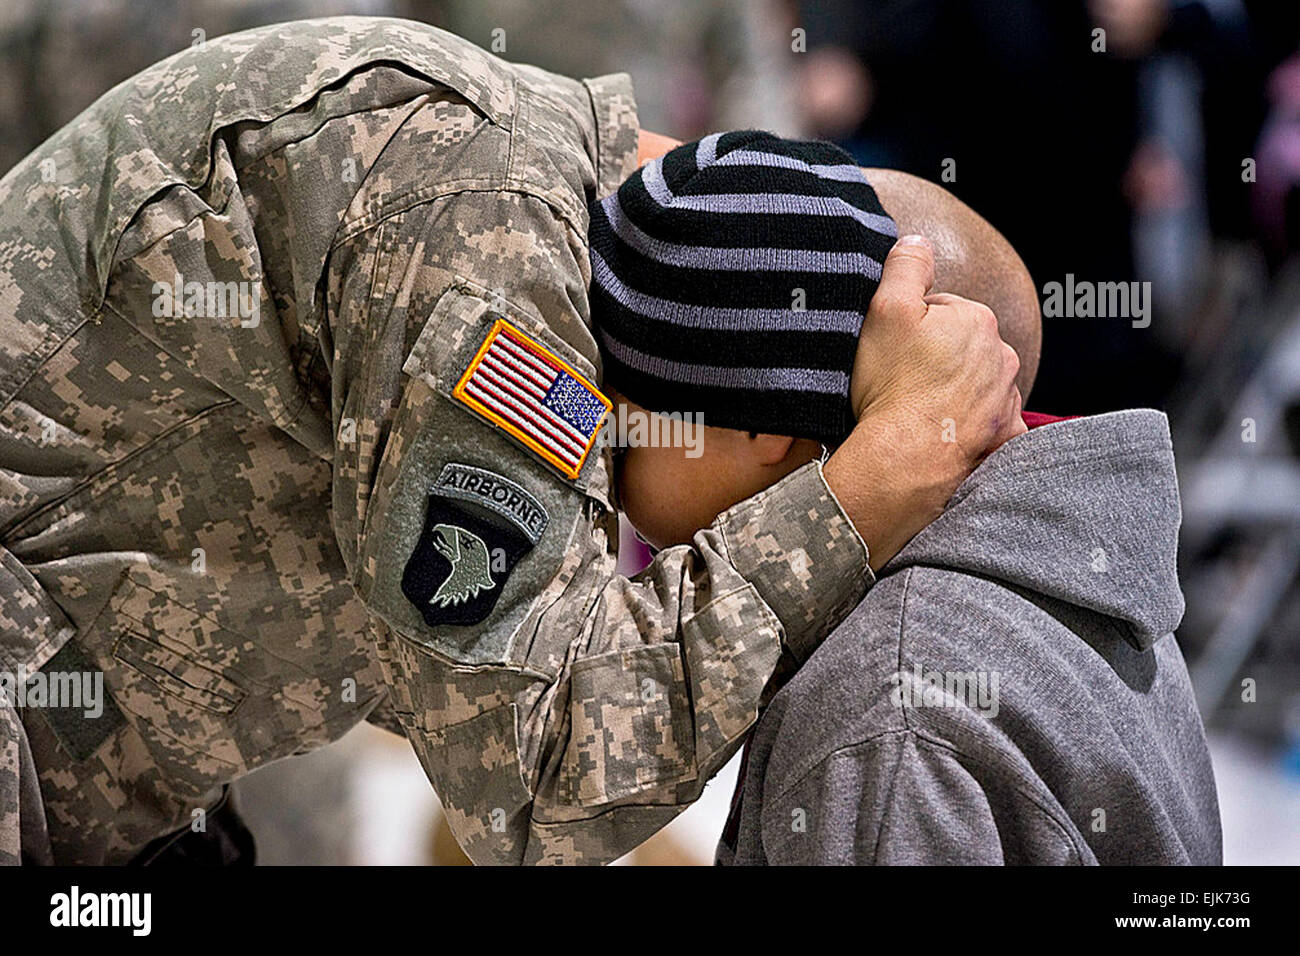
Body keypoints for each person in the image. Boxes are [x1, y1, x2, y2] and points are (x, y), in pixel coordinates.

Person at [0, 20, 1021, 865]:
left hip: (102, 771)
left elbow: (490, 664)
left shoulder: (531, 218)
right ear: (768, 431)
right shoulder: (483, 229)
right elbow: (528, 787)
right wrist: (859, 499)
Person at [588, 131, 1220, 865]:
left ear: (759, 420)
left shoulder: (885, 717)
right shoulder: (1078, 573)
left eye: (622, 407)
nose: (600, 442)